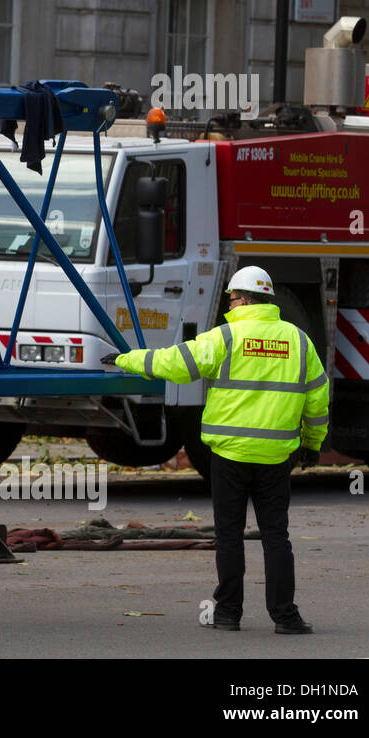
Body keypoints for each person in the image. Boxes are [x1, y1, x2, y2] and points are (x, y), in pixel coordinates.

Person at [103, 266, 328, 634]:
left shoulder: (226, 337)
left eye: (232, 299)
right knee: (276, 536)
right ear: (268, 300)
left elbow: (175, 364)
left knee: (229, 535)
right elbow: (318, 400)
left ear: (240, 299)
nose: (230, 305)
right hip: (275, 457)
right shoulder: (299, 341)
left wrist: (127, 359)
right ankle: (285, 616)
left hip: (229, 456)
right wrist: (312, 445)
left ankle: (227, 613)